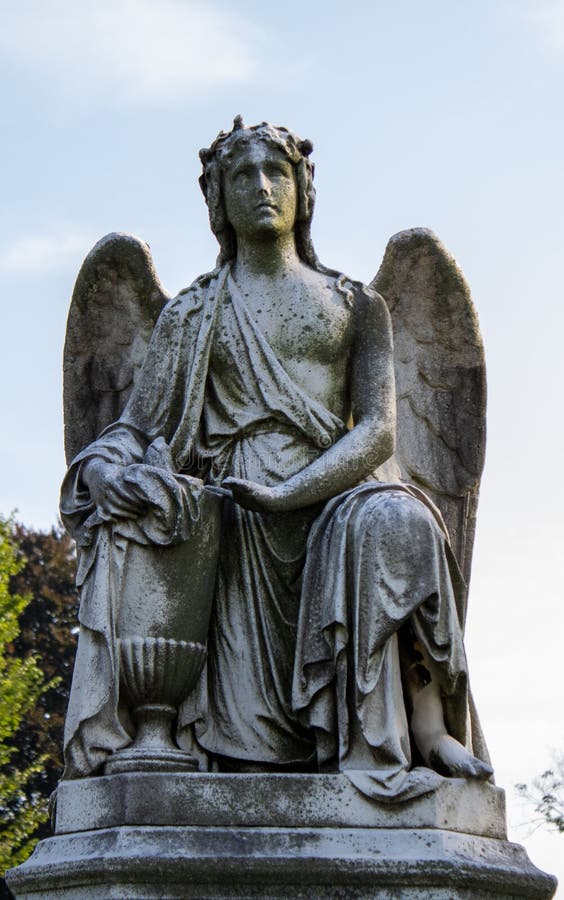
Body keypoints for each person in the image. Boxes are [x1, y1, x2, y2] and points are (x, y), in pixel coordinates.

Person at [60, 118, 492, 795]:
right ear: (217, 200)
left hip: (337, 498)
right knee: (159, 511)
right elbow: (134, 430)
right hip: (228, 514)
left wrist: (293, 492)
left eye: (277, 173)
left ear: (303, 188)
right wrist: (101, 467)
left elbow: (378, 433)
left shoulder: (357, 304)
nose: (261, 187)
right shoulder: (191, 314)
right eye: (242, 176)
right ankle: (171, 729)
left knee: (402, 520)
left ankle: (425, 728)